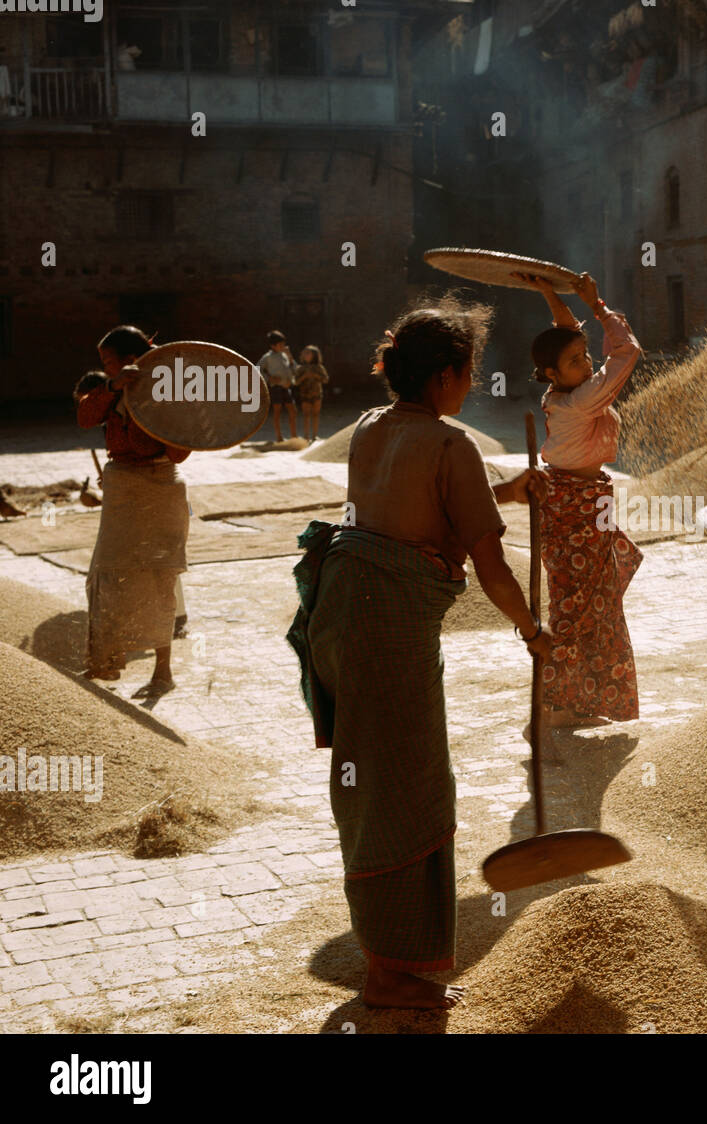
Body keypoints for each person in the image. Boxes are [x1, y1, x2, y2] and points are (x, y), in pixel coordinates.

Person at [286, 299, 553, 1011]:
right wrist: (530, 629)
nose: (471, 385)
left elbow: (414, 511)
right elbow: (490, 563)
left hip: (339, 621)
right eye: (469, 373)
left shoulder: (373, 428)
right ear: (445, 378)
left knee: (370, 792)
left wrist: (508, 491)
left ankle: (389, 960)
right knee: (410, 796)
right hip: (388, 637)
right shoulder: (452, 445)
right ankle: (391, 973)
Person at [518, 271, 643, 736]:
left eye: (586, 355)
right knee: (577, 609)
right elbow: (627, 353)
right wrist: (599, 306)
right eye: (575, 361)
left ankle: (572, 701)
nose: (586, 362)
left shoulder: (564, 392)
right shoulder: (581, 402)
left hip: (584, 501)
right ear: (552, 374)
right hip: (576, 508)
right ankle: (549, 706)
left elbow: (566, 337)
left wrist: (550, 294)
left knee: (595, 603)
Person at [76, 328, 191, 697]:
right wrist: (112, 388)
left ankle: (162, 671)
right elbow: (84, 416)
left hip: (161, 486)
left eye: (108, 361)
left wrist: (156, 417)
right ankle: (105, 659)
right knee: (108, 571)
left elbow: (180, 451)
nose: (105, 368)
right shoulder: (109, 390)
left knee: (160, 576)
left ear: (128, 358)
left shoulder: (165, 388)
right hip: (122, 486)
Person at [258, 330, 298, 442]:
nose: (283, 346)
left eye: (283, 344)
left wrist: (290, 358)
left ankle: (294, 435)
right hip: (276, 387)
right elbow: (258, 369)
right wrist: (269, 378)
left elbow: (295, 369)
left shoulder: (285, 355)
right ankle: (279, 436)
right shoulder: (267, 357)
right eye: (280, 345)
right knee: (277, 411)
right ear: (273, 346)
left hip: (286, 386)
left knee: (293, 410)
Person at [294, 344, 329, 442]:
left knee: (316, 414)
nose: (306, 355)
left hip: (317, 394)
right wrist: (304, 377)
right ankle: (306, 436)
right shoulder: (300, 368)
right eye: (304, 353)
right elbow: (295, 382)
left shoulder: (319, 367)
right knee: (306, 415)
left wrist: (315, 375)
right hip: (305, 394)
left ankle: (314, 435)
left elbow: (326, 379)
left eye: (308, 353)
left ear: (314, 355)